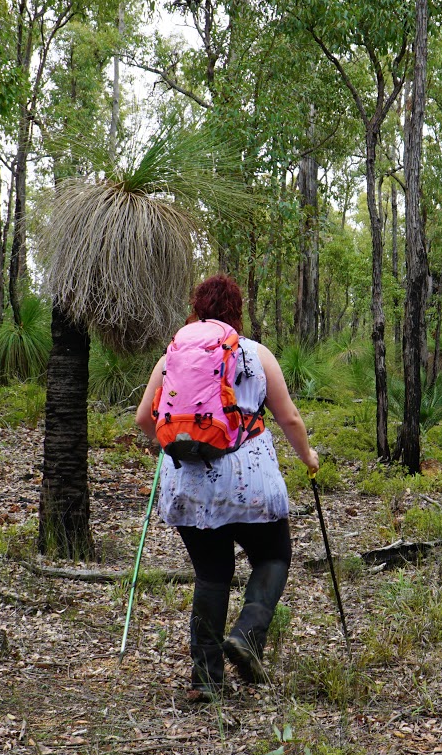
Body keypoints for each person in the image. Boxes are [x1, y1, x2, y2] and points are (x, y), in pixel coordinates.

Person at [134, 274, 320, 701]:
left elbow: (145, 418)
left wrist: (184, 447)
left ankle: (206, 680)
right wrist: (308, 457)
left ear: (197, 309)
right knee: (273, 554)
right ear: (236, 312)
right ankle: (247, 635)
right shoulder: (254, 354)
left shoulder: (171, 357)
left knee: (211, 575)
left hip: (189, 482)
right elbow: (289, 418)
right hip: (248, 479)